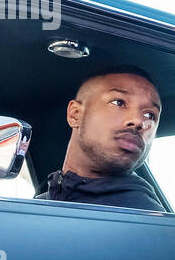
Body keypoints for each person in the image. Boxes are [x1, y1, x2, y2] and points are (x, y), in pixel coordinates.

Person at [37, 66, 164, 210]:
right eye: (119, 103)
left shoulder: (145, 218)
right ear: (75, 114)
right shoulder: (42, 201)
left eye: (150, 115)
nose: (138, 121)